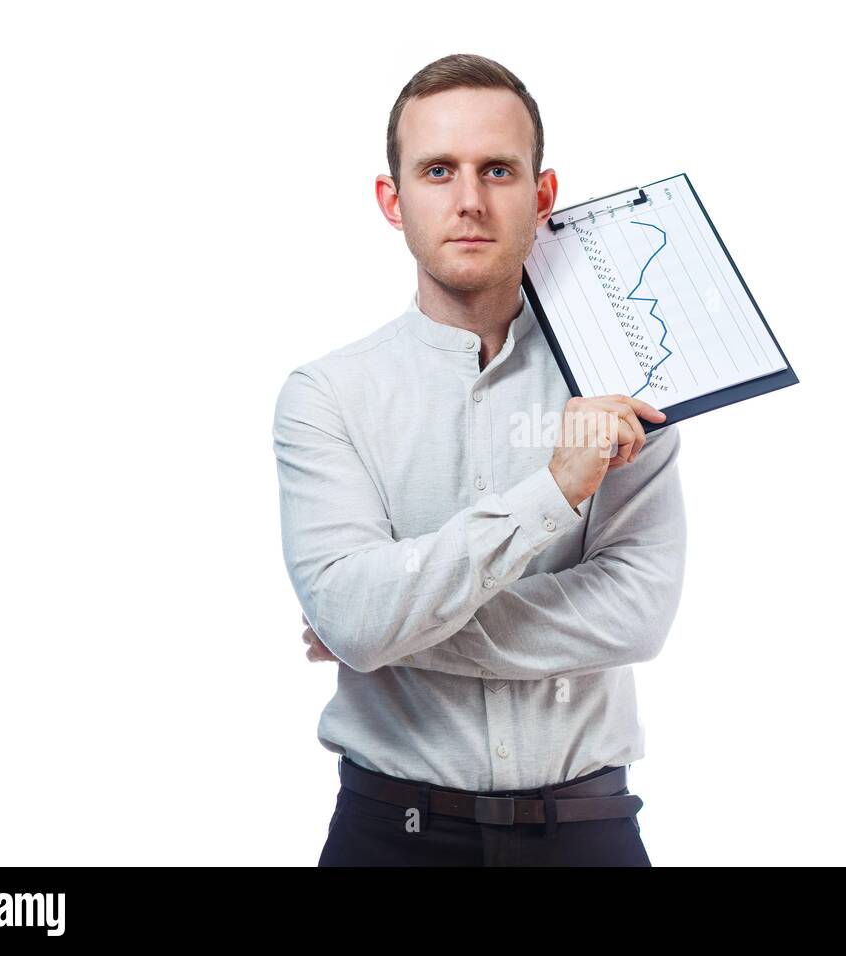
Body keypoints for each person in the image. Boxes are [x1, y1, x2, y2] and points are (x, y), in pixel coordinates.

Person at [272, 53, 687, 866]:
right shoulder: (326, 396)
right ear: (393, 201)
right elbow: (352, 616)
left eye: (497, 169)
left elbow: (638, 611)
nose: (469, 200)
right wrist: (553, 492)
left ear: (542, 196)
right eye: (438, 171)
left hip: (590, 834)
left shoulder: (626, 387)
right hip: (391, 837)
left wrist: (388, 631)